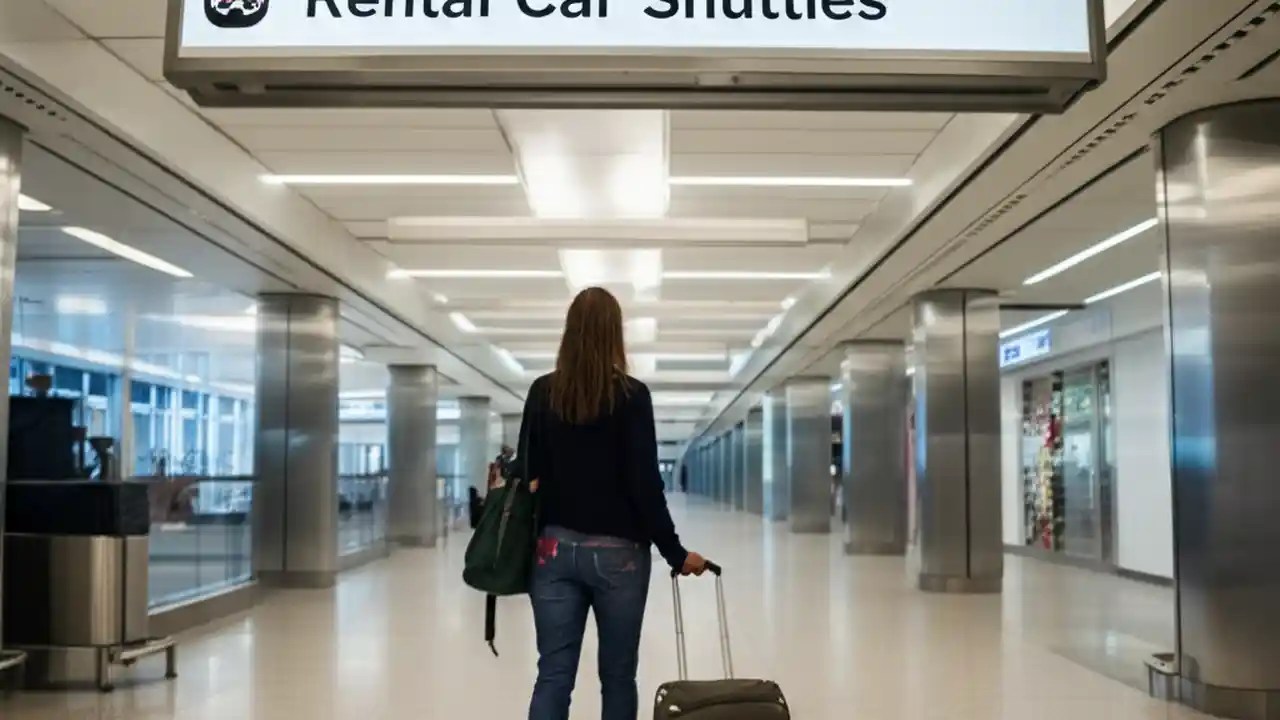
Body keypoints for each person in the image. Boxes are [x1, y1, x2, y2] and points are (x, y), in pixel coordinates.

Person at [520, 286, 708, 720]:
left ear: (569, 333)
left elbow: (527, 473)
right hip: (619, 555)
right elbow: (645, 485)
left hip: (553, 552)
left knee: (553, 675)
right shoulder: (632, 396)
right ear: (614, 335)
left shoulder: (542, 393)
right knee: (619, 677)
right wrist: (675, 554)